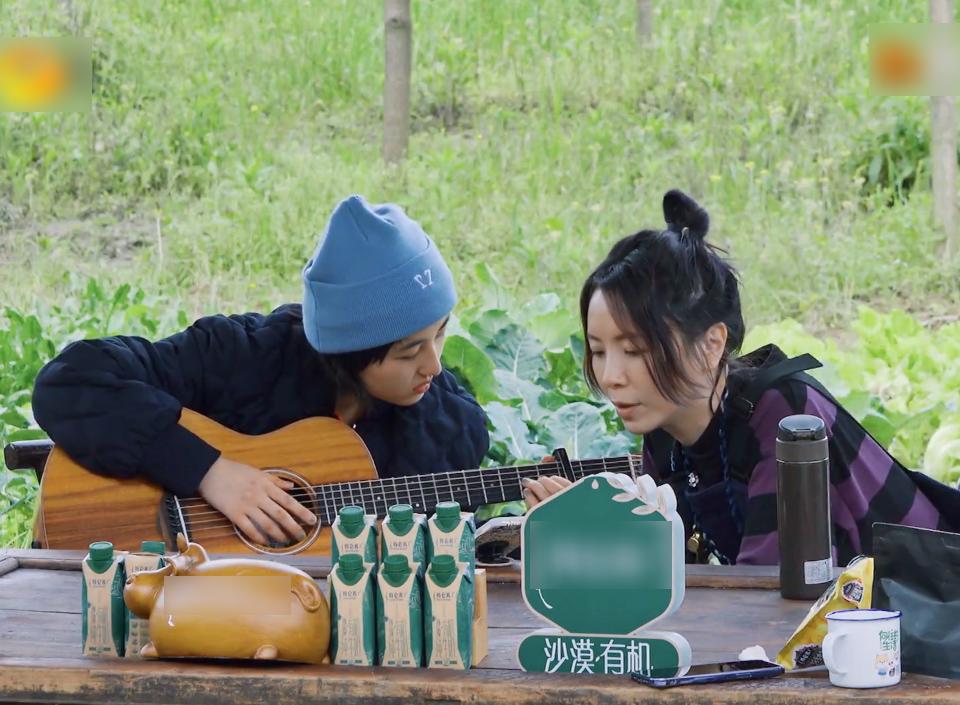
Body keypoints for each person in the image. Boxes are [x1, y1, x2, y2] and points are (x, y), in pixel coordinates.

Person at [523, 189, 959, 565]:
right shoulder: (664, 424)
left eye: (635, 351)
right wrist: (578, 529)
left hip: (930, 618)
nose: (611, 375)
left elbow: (767, 596)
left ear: (713, 343)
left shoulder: (787, 419)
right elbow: (667, 569)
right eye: (598, 351)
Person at [33, 195, 490, 545]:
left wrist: (527, 528)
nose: (433, 364)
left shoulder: (448, 427)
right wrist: (209, 472)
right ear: (349, 352)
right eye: (409, 353)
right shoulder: (244, 357)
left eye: (440, 334)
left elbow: (448, 555)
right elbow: (69, 383)